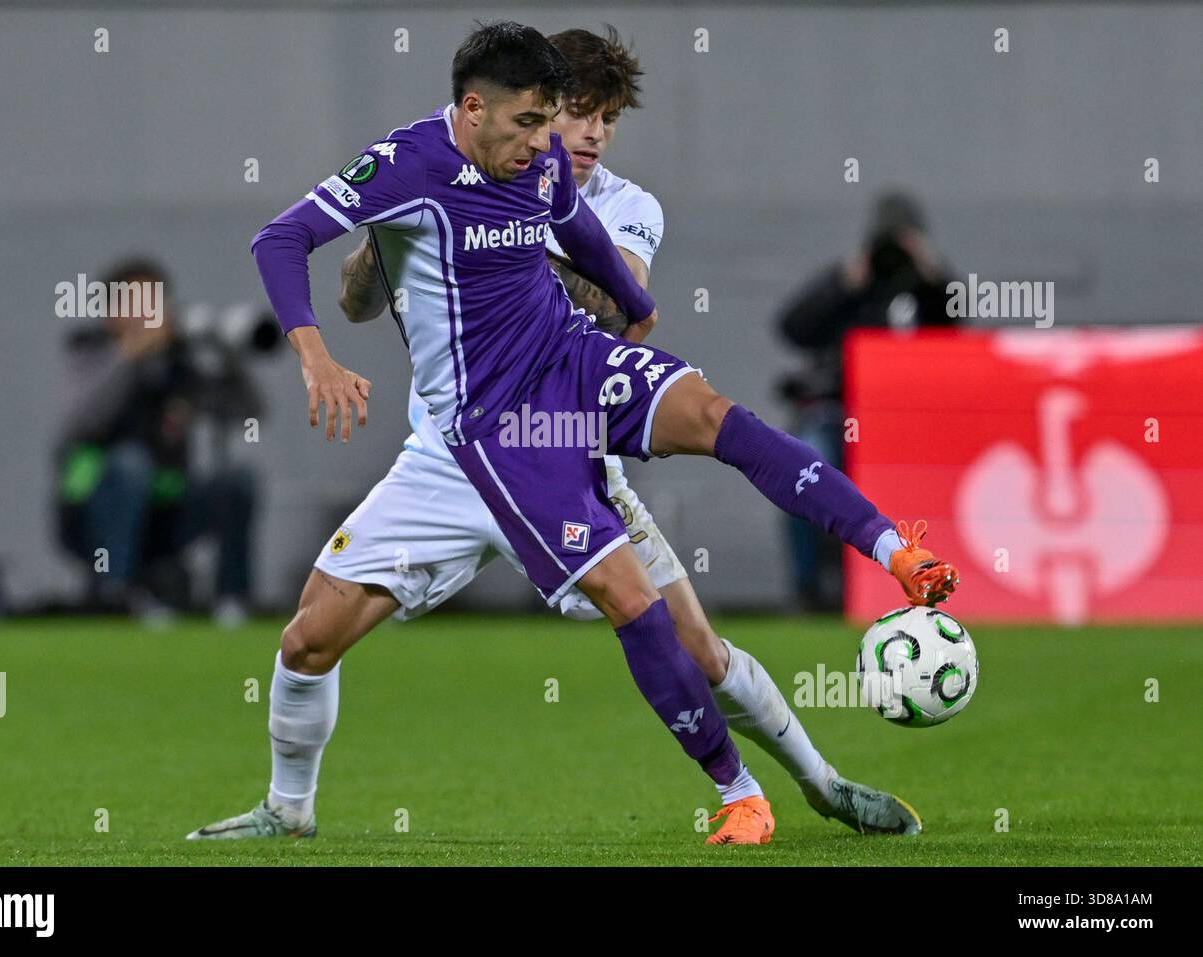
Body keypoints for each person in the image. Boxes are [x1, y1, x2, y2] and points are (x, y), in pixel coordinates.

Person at [189, 27, 922, 845]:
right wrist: (320, 350)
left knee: (700, 596)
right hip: (457, 449)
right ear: (483, 109)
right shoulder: (413, 166)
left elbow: (592, 249)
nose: (571, 139)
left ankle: (812, 765)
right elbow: (299, 251)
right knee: (309, 637)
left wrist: (628, 301)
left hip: (566, 415)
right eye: (562, 116)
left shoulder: (600, 189)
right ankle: (288, 808)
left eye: (591, 118)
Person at [775, 193, 958, 610]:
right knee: (800, 474)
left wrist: (933, 275)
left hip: (904, 421)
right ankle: (810, 592)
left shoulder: (928, 290)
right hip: (838, 412)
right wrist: (844, 283)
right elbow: (792, 326)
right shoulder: (852, 284)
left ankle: (917, 581)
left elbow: (957, 326)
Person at [55, 258, 257, 627]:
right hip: (91, 510)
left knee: (237, 480)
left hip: (165, 511)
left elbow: (249, 413)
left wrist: (227, 358)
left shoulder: (180, 364)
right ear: (110, 312)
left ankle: (233, 601)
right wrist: (128, 356)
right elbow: (79, 420)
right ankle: (116, 594)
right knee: (131, 462)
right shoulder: (90, 352)